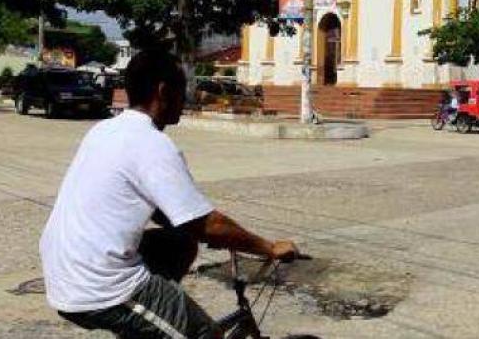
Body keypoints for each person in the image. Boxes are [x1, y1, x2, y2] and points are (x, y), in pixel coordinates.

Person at [39, 50, 299, 339]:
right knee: (206, 334)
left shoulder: (106, 130)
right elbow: (206, 224)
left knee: (182, 243)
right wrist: (269, 247)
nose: (185, 98)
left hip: (66, 268)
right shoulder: (152, 144)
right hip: (100, 284)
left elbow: (174, 217)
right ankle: (151, 312)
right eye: (181, 89)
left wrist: (207, 232)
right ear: (163, 91)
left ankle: (150, 324)